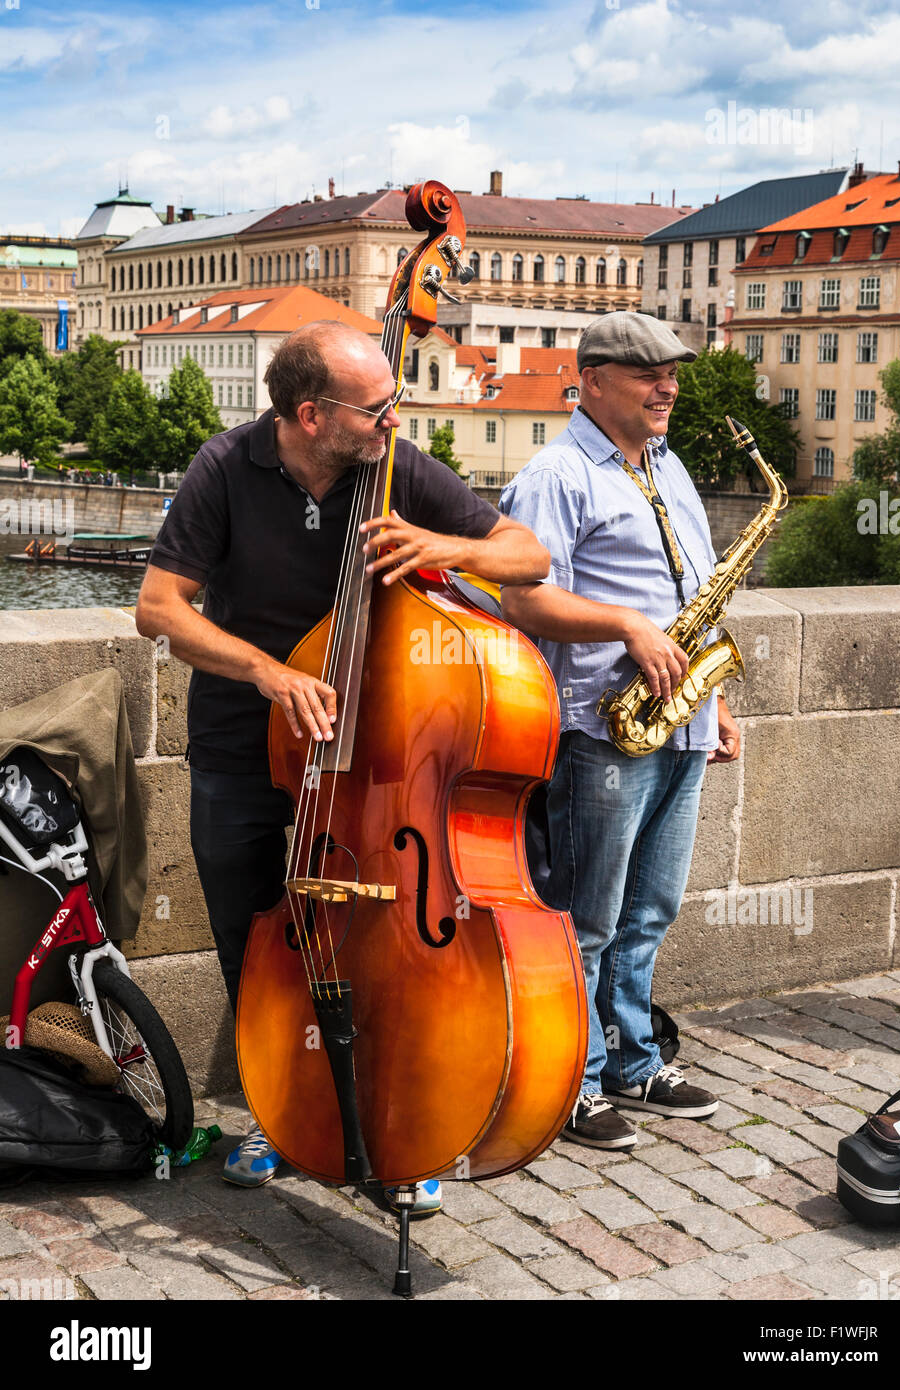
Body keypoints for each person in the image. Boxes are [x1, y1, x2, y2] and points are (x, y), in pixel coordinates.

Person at [135, 321, 549, 1204]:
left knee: (379, 946)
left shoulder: (395, 468)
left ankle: (395, 1123)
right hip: (246, 750)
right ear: (312, 414)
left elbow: (528, 554)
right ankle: (278, 1112)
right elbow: (160, 609)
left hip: (378, 764)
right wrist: (269, 672)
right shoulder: (225, 466)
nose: (394, 419)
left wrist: (452, 550)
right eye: (376, 407)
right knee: (260, 945)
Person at [498, 312, 741, 1150]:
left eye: (672, 371)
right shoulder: (554, 476)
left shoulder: (667, 465)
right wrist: (628, 628)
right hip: (599, 730)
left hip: (678, 723)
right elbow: (523, 601)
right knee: (587, 918)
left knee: (651, 910)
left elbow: (692, 594)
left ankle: (634, 1061)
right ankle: (573, 1078)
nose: (666, 385)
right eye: (646, 372)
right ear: (592, 379)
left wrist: (712, 700)